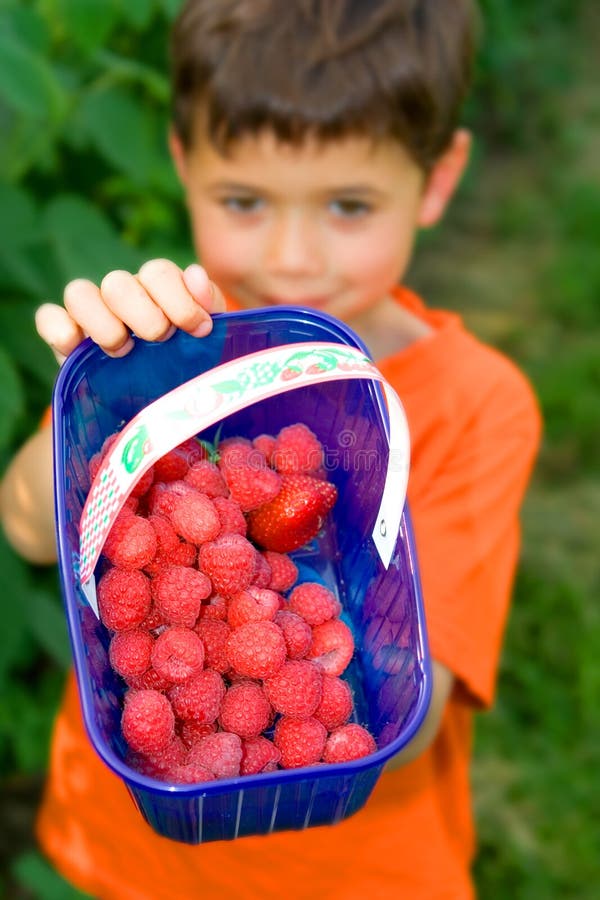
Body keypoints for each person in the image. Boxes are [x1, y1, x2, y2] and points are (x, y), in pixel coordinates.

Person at [0, 1, 542, 897]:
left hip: (353, 877)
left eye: (348, 204)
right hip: (124, 850)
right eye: (244, 200)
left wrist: (315, 639)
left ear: (438, 180)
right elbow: (25, 526)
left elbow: (413, 710)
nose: (292, 257)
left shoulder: (481, 408)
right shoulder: (163, 344)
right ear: (184, 167)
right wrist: (89, 403)